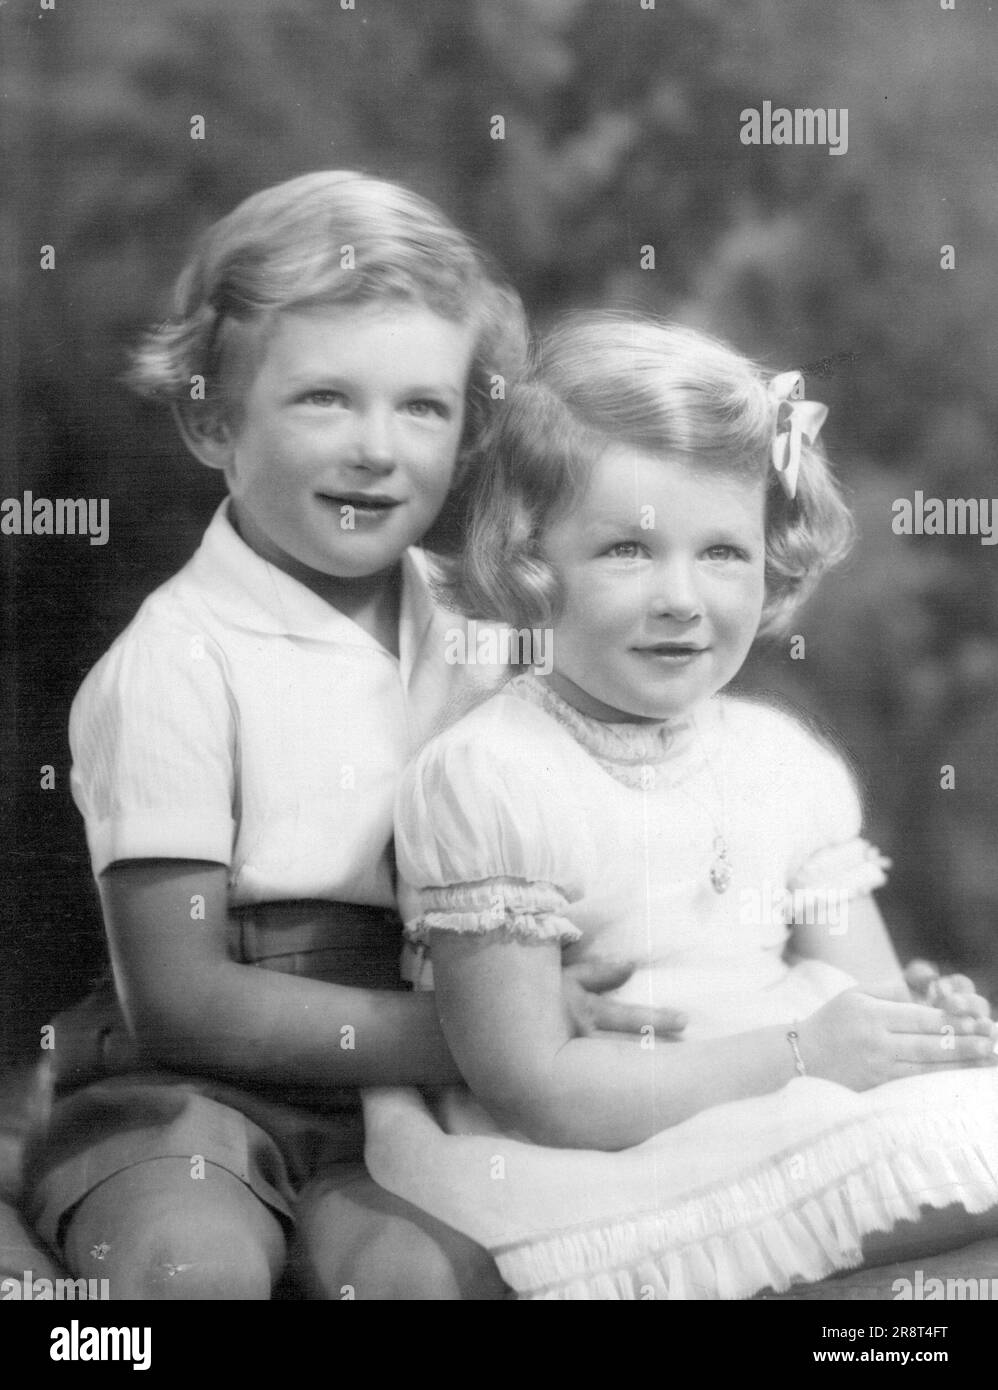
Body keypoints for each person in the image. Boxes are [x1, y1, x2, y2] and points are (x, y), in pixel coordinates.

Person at [21, 179, 684, 1302]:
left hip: (410, 1103)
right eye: (323, 399)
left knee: (425, 1280)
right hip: (195, 1091)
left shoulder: (492, 641)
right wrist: (482, 1035)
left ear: (470, 428)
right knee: (195, 1265)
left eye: (421, 407)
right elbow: (181, 1001)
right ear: (210, 420)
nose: (377, 449)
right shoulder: (176, 662)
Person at [363, 313, 998, 1300]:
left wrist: (915, 1032)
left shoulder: (780, 759)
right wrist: (801, 1052)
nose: (681, 599)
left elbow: (855, 993)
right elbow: (532, 1089)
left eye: (721, 554)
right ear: (534, 559)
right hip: (608, 1140)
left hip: (795, 1094)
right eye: (626, 550)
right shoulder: (489, 777)